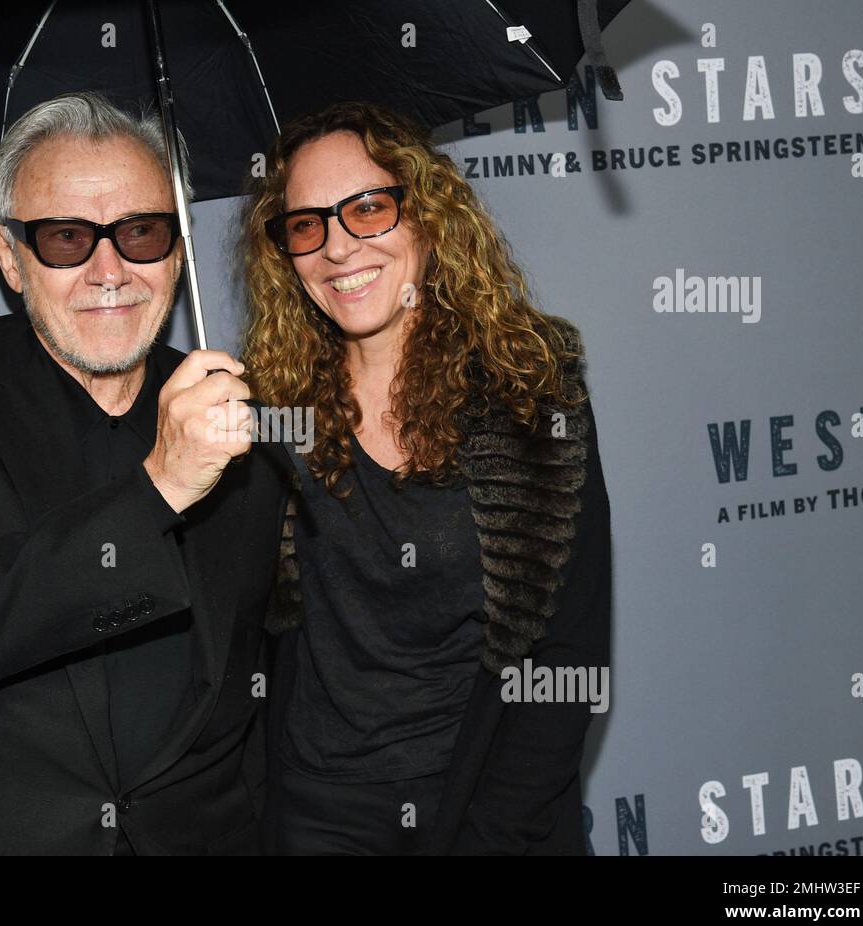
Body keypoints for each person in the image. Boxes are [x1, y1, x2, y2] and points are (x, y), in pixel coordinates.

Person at [0, 91, 290, 855]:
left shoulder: (243, 413)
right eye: (66, 237)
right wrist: (163, 486)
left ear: (177, 249)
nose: (109, 271)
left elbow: (268, 670)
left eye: (141, 232)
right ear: (9, 257)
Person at [240, 101, 612, 855]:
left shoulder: (530, 391)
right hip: (320, 816)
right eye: (307, 224)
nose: (338, 248)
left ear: (429, 217)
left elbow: (567, 655)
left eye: (369, 209)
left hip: (493, 806)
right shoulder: (267, 415)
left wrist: (492, 834)